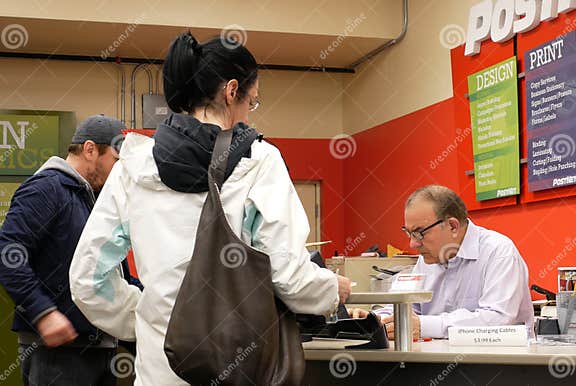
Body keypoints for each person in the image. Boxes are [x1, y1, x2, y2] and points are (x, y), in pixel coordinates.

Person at [69, 32, 351, 386]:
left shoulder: (132, 165)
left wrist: (147, 318)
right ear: (232, 91)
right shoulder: (259, 160)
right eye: (253, 101)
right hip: (240, 365)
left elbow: (87, 280)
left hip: (160, 370)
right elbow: (288, 277)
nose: (250, 111)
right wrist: (331, 289)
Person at [0, 115, 125, 386]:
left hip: (101, 348)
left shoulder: (91, 200)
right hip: (58, 354)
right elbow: (7, 253)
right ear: (90, 149)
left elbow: (111, 273)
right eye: (116, 160)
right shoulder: (46, 189)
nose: (119, 171)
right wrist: (43, 313)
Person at [351, 185, 534, 339]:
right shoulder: (428, 259)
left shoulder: (498, 252)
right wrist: (375, 319)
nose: (413, 243)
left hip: (500, 369)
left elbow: (497, 319)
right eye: (408, 233)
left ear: (453, 226)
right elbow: (405, 306)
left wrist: (423, 325)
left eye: (420, 232)